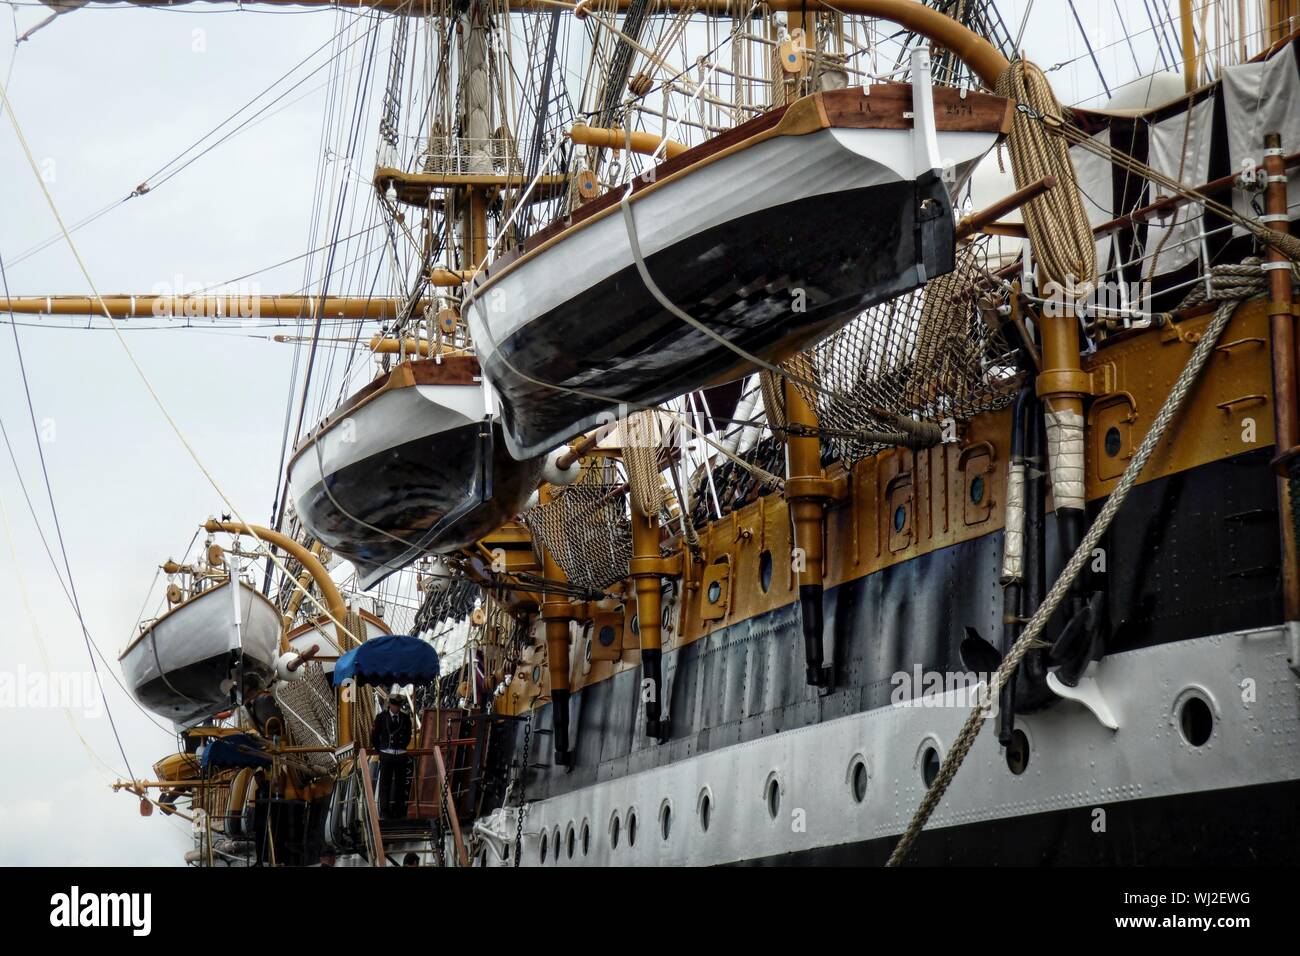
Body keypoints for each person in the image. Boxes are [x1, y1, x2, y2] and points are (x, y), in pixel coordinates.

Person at [371, 693, 413, 821]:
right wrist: (381, 750)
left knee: (400, 784)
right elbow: (374, 735)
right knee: (385, 784)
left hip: (400, 755)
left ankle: (399, 811)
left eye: (398, 705)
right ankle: (385, 811)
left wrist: (402, 748)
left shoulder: (405, 718)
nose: (396, 708)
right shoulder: (381, 718)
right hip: (386, 755)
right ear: (390, 705)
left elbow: (407, 735)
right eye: (394, 705)